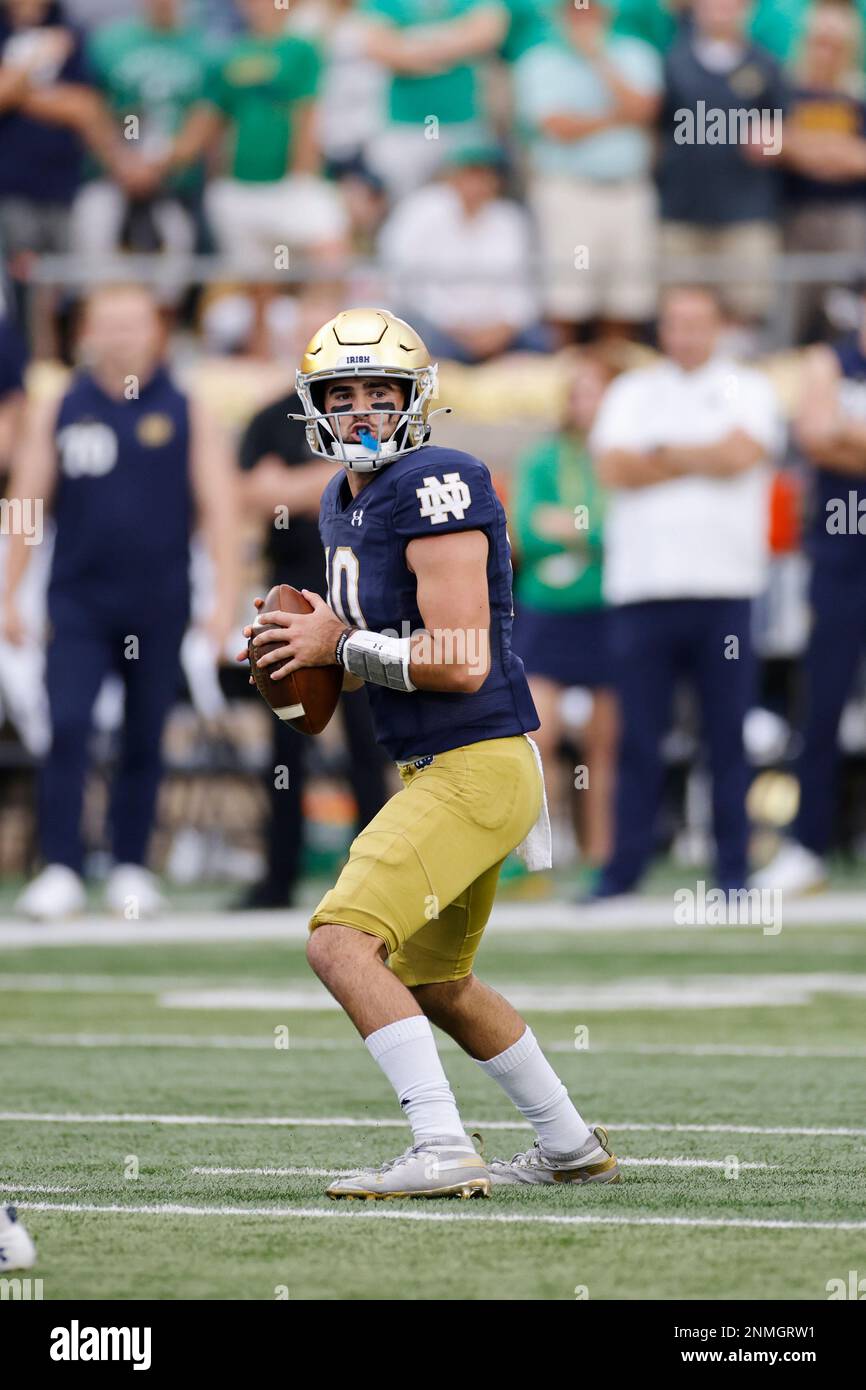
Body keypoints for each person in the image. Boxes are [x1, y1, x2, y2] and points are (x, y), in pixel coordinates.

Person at [238, 307, 620, 1198]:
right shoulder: (342, 496)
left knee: (339, 944)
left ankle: (441, 1145)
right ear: (316, 406)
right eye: (345, 394)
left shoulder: (438, 478)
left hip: (476, 759)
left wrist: (340, 647)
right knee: (437, 979)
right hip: (448, 763)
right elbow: (369, 662)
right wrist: (304, 666)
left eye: (382, 392)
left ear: (417, 399)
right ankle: (569, 1144)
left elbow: (461, 658)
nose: (364, 410)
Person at [3, 284, 238, 921]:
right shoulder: (62, 407)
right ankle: (61, 867)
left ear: (157, 330)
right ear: (86, 331)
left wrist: (223, 601)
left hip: (160, 601)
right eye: (108, 323)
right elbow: (26, 501)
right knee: (68, 727)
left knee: (144, 734)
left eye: (134, 323)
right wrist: (8, 594)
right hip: (78, 603)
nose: (122, 336)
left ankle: (131, 864)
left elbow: (220, 509)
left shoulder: (186, 406)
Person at [588, 286, 782, 898]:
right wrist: (702, 455)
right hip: (644, 590)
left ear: (719, 327)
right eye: (676, 323)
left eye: (699, 323)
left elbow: (742, 454)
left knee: (726, 733)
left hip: (723, 588)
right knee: (639, 737)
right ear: (662, 330)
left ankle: (732, 869)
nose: (687, 335)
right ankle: (625, 869)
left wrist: (662, 453)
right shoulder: (631, 391)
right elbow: (615, 467)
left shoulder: (749, 387)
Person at [236, 384, 389, 909]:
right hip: (292, 590)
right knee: (287, 736)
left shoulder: (373, 413)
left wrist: (291, 484)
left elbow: (376, 472)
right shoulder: (269, 415)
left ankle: (379, 875)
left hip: (358, 590)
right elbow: (253, 495)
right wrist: (327, 476)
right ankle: (279, 874)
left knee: (369, 741)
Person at [752, 302, 866, 895]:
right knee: (821, 704)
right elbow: (817, 436)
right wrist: (839, 439)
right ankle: (807, 847)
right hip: (844, 557)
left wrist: (851, 439)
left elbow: (837, 437)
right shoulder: (830, 361)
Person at [511, 352, 618, 882]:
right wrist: (591, 532)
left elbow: (621, 531)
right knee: (539, 736)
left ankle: (603, 856)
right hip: (548, 610)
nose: (586, 404)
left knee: (605, 741)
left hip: (607, 607)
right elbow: (527, 533)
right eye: (578, 393)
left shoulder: (622, 455)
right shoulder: (542, 458)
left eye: (595, 391)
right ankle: (538, 858)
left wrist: (574, 529)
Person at [152, 0, 346, 266]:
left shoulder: (302, 50)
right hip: (238, 186)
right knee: (258, 282)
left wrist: (301, 180)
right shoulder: (226, 56)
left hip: (290, 184)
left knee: (328, 254)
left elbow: (307, 116)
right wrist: (157, 158)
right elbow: (205, 123)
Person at [514, 0, 662, 339]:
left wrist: (598, 59)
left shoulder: (635, 53)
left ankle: (612, 380)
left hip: (627, 190)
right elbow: (556, 126)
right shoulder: (539, 60)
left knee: (626, 302)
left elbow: (643, 109)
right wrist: (616, 118)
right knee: (566, 301)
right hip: (569, 190)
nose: (583, 18)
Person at [658, 0, 790, 327]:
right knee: (683, 311)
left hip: (745, 213)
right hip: (683, 212)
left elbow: (783, 128)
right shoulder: (674, 62)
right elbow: (655, 129)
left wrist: (771, 143)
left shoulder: (765, 65)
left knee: (744, 311)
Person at [379, 143, 549, 363]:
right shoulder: (421, 211)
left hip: (500, 332)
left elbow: (523, 289)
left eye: (483, 174)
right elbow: (403, 279)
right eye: (469, 173)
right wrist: (453, 326)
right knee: (418, 338)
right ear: (452, 175)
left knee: (540, 342)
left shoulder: (510, 220)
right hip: (437, 327)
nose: (475, 183)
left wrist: (503, 328)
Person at [71, 0, 212, 263]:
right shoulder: (108, 43)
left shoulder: (205, 48)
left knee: (176, 260)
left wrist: (158, 163)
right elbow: (91, 108)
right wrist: (120, 160)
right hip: (111, 180)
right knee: (98, 258)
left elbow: (204, 121)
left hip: (175, 186)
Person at [361, 0, 508, 199]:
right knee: (404, 203)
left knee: (461, 200)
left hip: (460, 122)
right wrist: (454, 42)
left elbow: (488, 33)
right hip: (407, 124)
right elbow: (377, 48)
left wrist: (413, 46)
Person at [781, 3, 866, 342]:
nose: (826, 52)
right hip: (794, 214)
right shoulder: (785, 90)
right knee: (791, 310)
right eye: (819, 41)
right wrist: (837, 151)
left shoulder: (857, 95)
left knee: (843, 310)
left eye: (835, 44)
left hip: (850, 219)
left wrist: (804, 147)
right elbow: (769, 144)